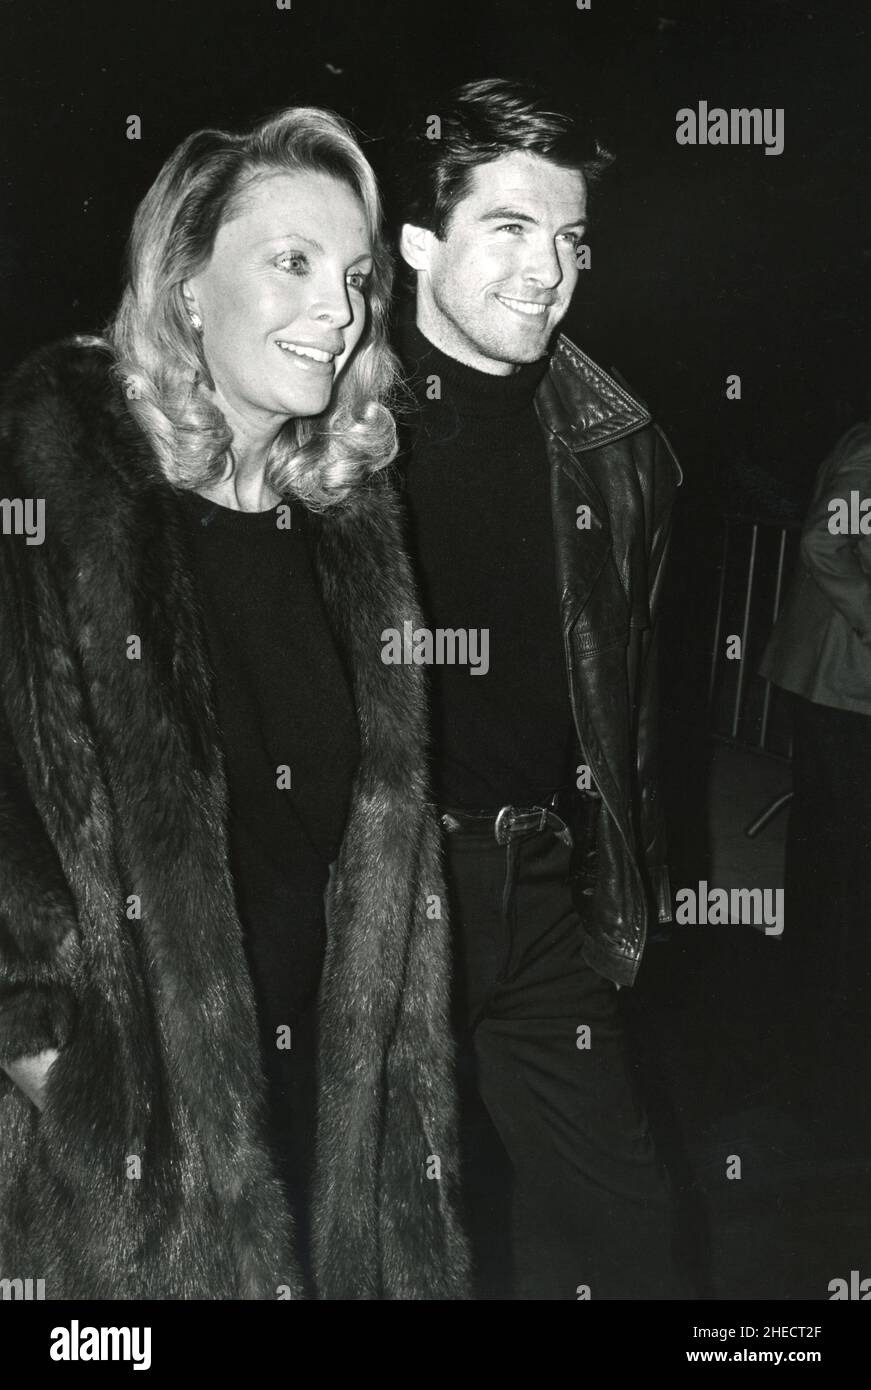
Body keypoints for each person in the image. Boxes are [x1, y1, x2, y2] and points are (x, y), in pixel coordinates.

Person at [0, 106, 468, 1300]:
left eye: (358, 275)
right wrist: (62, 1073)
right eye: (293, 263)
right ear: (187, 285)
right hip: (127, 1158)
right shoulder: (59, 489)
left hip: (325, 1124)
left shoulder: (349, 526)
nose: (340, 307)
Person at [387, 78, 683, 1299]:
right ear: (417, 241)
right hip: (380, 901)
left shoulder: (622, 449)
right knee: (405, 1246)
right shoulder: (320, 423)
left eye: (568, 239)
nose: (547, 270)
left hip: (542, 891)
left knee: (640, 1244)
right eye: (507, 228)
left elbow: (635, 706)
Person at [759, 420, 871, 1134]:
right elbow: (824, 542)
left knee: (828, 851)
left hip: (836, 681)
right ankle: (827, 1039)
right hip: (842, 681)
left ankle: (810, 1014)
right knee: (846, 859)